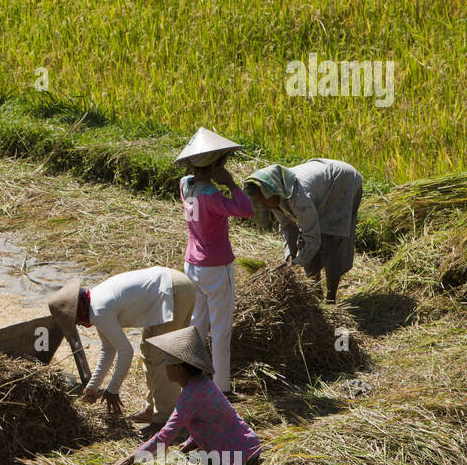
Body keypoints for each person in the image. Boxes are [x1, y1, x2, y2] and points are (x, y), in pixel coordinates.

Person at [113, 327, 262, 465]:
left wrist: (132, 458)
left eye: (167, 364)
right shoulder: (203, 384)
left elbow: (166, 435)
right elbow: (211, 419)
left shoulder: (191, 394)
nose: (165, 368)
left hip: (239, 456)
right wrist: (192, 442)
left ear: (179, 368)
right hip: (249, 445)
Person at [57, 267, 196, 434]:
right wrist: (93, 386)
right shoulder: (94, 302)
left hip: (174, 291)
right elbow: (108, 348)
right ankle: (151, 410)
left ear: (76, 312)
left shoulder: (99, 310)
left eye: (75, 321)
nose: (78, 325)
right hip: (166, 288)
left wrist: (113, 389)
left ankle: (164, 421)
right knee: (148, 351)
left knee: (162, 359)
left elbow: (126, 351)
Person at [176, 128, 254, 396]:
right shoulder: (213, 197)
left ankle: (191, 379)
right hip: (215, 268)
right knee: (220, 331)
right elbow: (246, 210)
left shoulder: (186, 185)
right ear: (216, 166)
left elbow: (195, 179)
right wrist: (231, 184)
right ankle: (222, 388)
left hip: (192, 265)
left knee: (197, 325)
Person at [244, 160, 364, 303]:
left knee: (332, 239)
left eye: (261, 200)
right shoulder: (276, 196)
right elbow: (288, 227)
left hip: (342, 182)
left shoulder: (299, 197)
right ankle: (316, 294)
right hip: (321, 184)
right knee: (305, 244)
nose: (261, 204)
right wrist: (289, 256)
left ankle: (330, 300)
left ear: (271, 191)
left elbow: (313, 239)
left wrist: (295, 265)